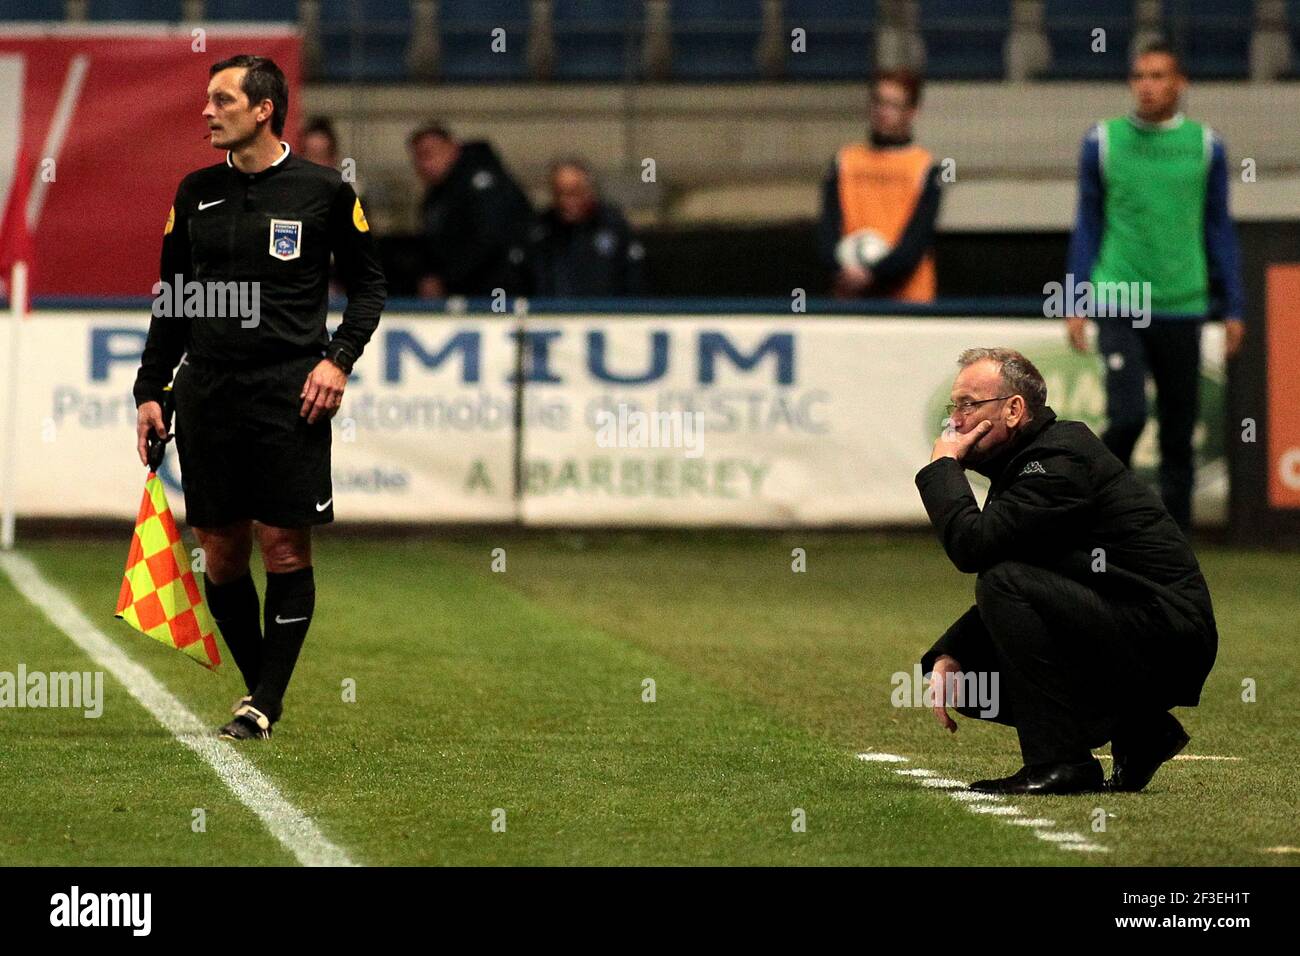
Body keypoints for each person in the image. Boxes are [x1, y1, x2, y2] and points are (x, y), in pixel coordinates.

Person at [133, 55, 386, 741]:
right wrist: (151, 389)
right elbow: (174, 302)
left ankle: (262, 703)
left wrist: (338, 361)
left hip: (289, 390)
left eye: (222, 100)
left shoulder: (325, 192)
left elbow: (369, 287)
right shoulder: (194, 192)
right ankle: (260, 692)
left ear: (263, 109)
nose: (207, 112)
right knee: (219, 552)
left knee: (283, 546)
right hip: (208, 389)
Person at [916, 348, 1217, 795]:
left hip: (1165, 634)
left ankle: (1061, 763)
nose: (955, 421)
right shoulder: (1033, 459)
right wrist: (951, 652)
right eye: (952, 406)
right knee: (969, 678)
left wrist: (942, 468)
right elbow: (1037, 573)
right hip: (1127, 622)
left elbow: (973, 547)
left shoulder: (1057, 462)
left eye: (968, 405)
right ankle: (1141, 728)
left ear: (1014, 409)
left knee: (1002, 580)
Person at [1066, 42, 1244, 532]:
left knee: (1179, 434)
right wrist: (1075, 297)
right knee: (1126, 418)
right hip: (1119, 300)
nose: (1146, 85)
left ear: (1180, 82)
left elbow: (1219, 228)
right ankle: (1090, 511)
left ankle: (1175, 543)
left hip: (1182, 304)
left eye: (1158, 75)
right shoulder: (1102, 141)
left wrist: (1234, 306)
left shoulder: (1206, 146)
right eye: (1139, 75)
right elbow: (1088, 225)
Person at [817, 68, 942, 302]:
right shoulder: (844, 161)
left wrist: (873, 274)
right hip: (849, 299)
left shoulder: (926, 168)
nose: (883, 112)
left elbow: (915, 243)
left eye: (894, 105)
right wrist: (842, 269)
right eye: (879, 102)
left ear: (912, 112)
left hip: (909, 301)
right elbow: (827, 231)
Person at [408, 122, 532, 298]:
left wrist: (445, 279)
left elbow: (489, 238)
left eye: (429, 154)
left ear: (452, 149)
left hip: (494, 293)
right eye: (418, 158)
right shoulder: (436, 197)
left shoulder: (483, 184)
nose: (424, 165)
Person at [522, 159, 646, 296]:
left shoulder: (613, 227)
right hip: (551, 315)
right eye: (559, 194)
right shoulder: (539, 232)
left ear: (588, 191)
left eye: (574, 193)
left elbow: (634, 282)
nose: (566, 202)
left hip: (605, 314)